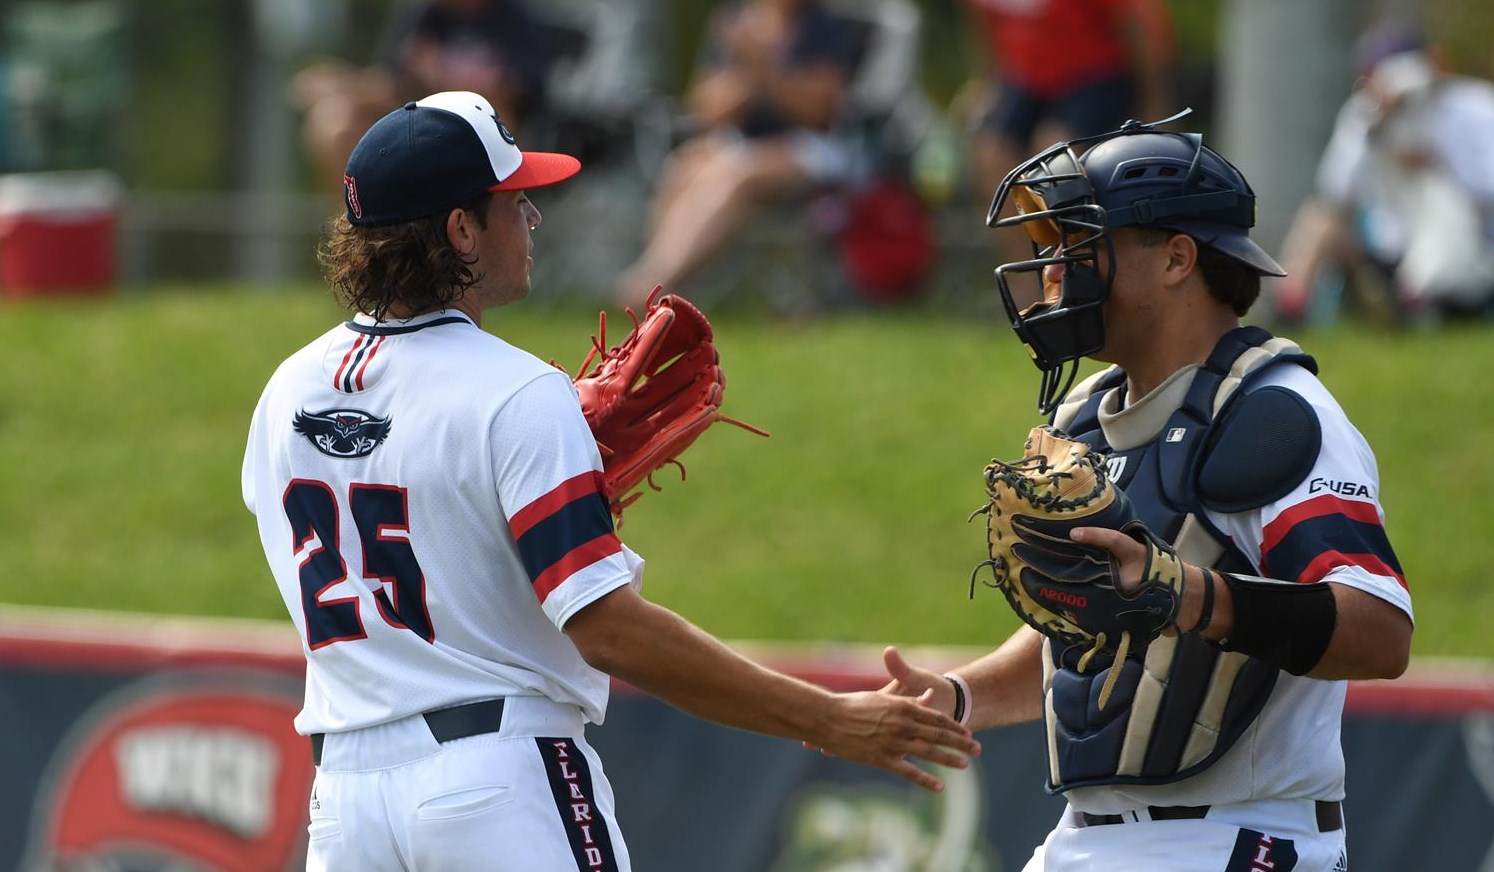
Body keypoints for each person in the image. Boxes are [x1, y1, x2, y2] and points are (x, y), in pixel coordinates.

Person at [240, 90, 978, 870]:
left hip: (346, 805)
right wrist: (828, 718)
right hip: (494, 784)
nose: (532, 218)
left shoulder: (286, 391)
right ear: (460, 230)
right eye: (513, 201)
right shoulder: (517, 392)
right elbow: (608, 630)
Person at [859, 122, 1413, 870]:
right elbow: (1088, 631)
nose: (1055, 269)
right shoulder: (1084, 417)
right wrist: (957, 699)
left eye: (1082, 243)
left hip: (1236, 835)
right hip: (1087, 836)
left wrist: (1189, 594)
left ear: (1178, 258)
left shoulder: (1274, 412)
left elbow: (1379, 631)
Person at [1272, 24, 1494, 327]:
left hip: (1468, 250)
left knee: (1443, 217)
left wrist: (1439, 162)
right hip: (1388, 251)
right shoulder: (1364, 112)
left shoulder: (1480, 105)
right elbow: (1335, 190)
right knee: (1320, 219)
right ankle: (1289, 310)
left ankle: (1413, 302)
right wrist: (1374, 127)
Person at [612, 0, 869, 307]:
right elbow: (706, 113)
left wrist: (763, 67)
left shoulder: (824, 26)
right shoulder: (736, 23)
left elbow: (818, 113)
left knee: (739, 174)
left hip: (812, 148)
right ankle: (660, 287)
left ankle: (652, 286)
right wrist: (747, 71)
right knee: (688, 162)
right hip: (742, 142)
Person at [959, 0, 1176, 309]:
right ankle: (1028, 280)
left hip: (1096, 71)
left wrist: (1154, 101)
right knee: (991, 153)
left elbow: (1135, 27)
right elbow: (983, 24)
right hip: (1029, 77)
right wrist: (987, 82)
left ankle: (1076, 275)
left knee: (1053, 156)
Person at [291, 0, 555, 191]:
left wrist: (440, 78)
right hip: (420, 125)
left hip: (485, 130)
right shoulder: (424, 16)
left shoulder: (516, 17)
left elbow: (520, 92)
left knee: (496, 119)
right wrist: (346, 86)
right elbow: (392, 83)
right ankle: (363, 227)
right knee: (335, 122)